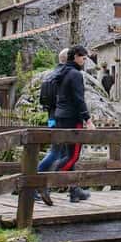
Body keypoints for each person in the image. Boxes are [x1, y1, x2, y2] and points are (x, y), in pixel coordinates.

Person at [51, 45, 95, 202]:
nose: (84, 60)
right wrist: (88, 120)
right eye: (83, 57)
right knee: (73, 156)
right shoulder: (75, 74)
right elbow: (79, 99)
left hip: (60, 117)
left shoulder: (61, 72)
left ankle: (74, 190)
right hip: (72, 118)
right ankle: (45, 183)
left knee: (67, 155)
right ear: (76, 56)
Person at [32, 48, 69, 206]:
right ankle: (33, 184)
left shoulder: (50, 75)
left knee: (60, 152)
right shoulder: (63, 76)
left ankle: (40, 184)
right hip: (61, 118)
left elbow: (43, 100)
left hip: (51, 117)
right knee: (56, 152)